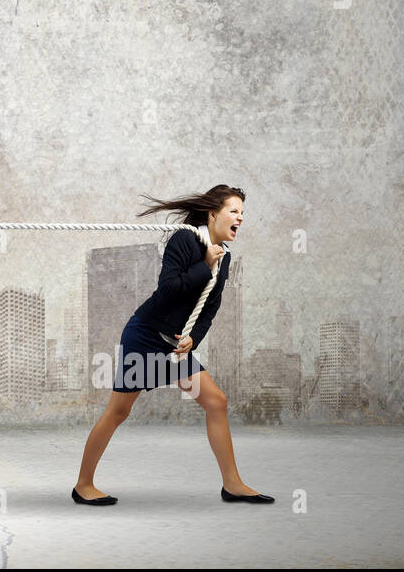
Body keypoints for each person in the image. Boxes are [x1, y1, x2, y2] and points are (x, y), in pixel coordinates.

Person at [71, 184, 274, 505]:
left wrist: (195, 337)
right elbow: (168, 289)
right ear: (213, 214)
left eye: (243, 213)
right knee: (119, 411)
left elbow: (210, 307)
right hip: (145, 336)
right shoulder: (186, 240)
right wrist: (204, 263)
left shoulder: (225, 257)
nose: (240, 218)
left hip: (175, 346)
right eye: (234, 211)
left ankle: (232, 484)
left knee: (216, 402)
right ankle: (83, 486)